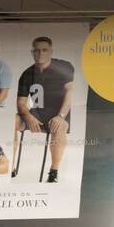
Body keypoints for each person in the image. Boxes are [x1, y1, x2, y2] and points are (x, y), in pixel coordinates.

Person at [12, 37, 74, 182]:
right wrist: (28, 117)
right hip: (36, 113)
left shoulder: (64, 67)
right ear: (32, 52)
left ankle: (53, 172)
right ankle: (12, 165)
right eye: (37, 50)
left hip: (58, 113)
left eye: (44, 50)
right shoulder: (27, 74)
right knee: (14, 120)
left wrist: (61, 116)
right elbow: (21, 103)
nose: (40, 53)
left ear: (51, 51)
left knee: (60, 127)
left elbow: (70, 92)